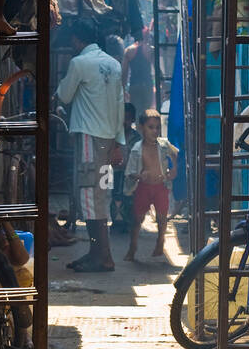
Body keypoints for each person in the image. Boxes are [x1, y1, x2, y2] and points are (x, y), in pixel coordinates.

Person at [56, 16, 126, 273]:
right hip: (109, 141)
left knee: (88, 195)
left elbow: (64, 95)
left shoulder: (79, 63)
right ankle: (97, 253)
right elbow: (120, 104)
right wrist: (119, 143)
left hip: (89, 139)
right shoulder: (114, 64)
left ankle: (103, 255)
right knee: (102, 195)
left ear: (77, 40)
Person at [123, 109, 178, 263]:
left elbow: (175, 153)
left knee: (162, 217)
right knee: (137, 219)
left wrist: (174, 169)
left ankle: (160, 241)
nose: (155, 131)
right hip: (144, 188)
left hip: (161, 187)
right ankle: (132, 247)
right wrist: (140, 176)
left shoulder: (164, 144)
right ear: (141, 128)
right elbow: (130, 172)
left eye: (157, 127)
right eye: (151, 127)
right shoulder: (137, 149)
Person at [111, 102, 138, 232]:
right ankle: (117, 222)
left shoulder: (136, 138)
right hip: (115, 172)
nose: (124, 122)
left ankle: (127, 222)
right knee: (116, 197)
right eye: (122, 118)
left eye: (127, 119)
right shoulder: (113, 136)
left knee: (129, 198)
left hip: (130, 175)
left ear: (132, 120)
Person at [123, 26, 156, 120]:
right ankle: (145, 134)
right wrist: (161, 83)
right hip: (148, 85)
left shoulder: (129, 51)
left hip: (134, 86)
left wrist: (123, 88)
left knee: (137, 113)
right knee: (147, 112)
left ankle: (139, 132)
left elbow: (124, 73)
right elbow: (157, 69)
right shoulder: (151, 50)